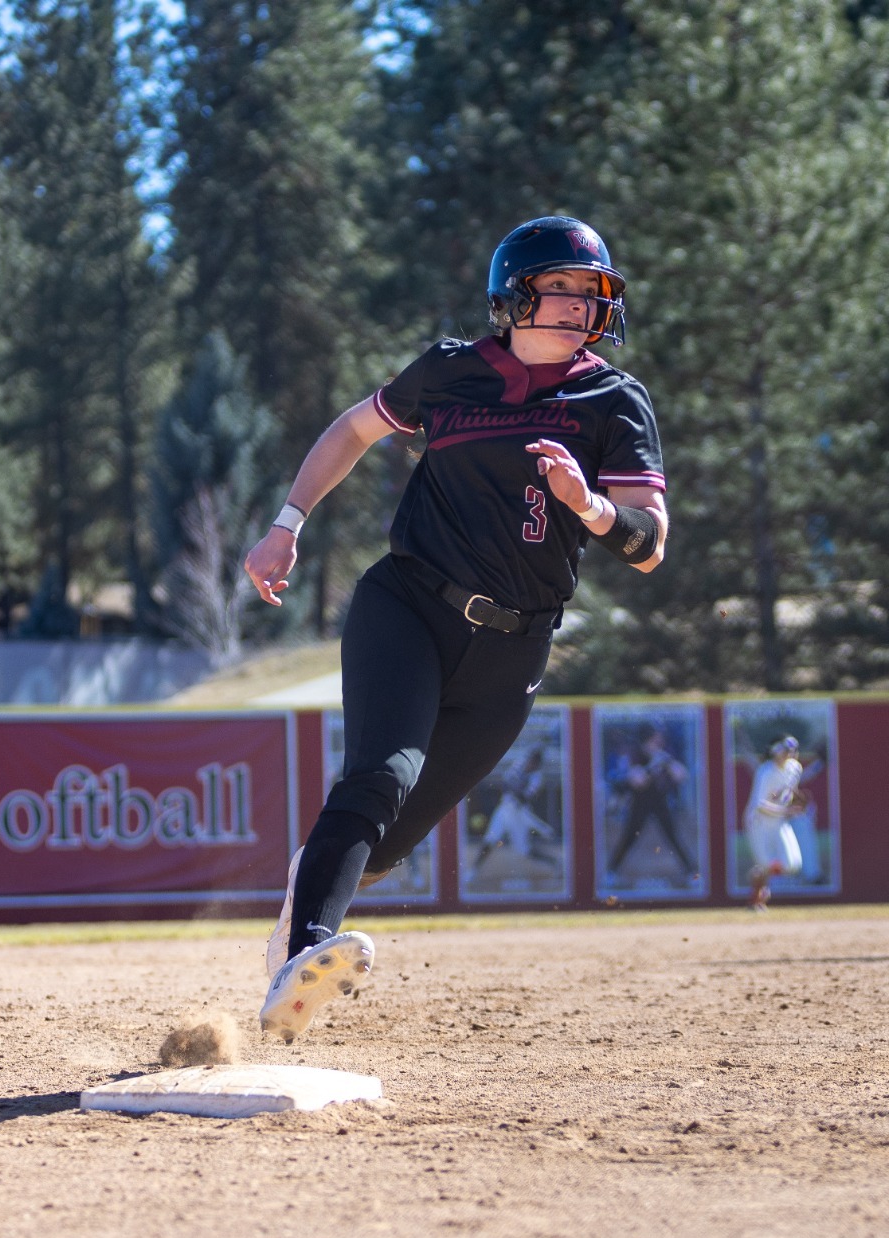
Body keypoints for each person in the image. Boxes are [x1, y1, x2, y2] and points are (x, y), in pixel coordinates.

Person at [241, 216, 670, 1042]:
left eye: (594, 293)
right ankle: (305, 954)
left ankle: (304, 908)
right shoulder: (449, 370)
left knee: (389, 844)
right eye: (564, 289)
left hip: (514, 652)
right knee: (380, 778)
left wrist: (591, 506)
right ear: (515, 295)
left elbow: (650, 547)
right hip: (408, 604)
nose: (582, 306)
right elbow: (354, 430)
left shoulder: (615, 399)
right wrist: (287, 522)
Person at [607, 725, 697, 881]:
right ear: (646, 740)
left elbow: (682, 775)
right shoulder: (635, 754)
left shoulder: (664, 755)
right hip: (640, 803)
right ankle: (612, 871)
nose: (659, 742)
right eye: (655, 739)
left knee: (672, 837)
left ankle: (691, 872)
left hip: (659, 801)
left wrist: (666, 762)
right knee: (629, 838)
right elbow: (638, 781)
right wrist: (651, 766)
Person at [743, 735, 805, 912]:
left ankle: (760, 884)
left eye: (793, 751)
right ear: (776, 751)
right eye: (786, 750)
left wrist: (793, 802)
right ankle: (756, 897)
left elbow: (787, 791)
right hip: (759, 822)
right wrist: (788, 810)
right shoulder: (766, 771)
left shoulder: (795, 768)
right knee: (765, 863)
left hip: (778, 821)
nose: (790, 755)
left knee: (792, 864)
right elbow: (760, 805)